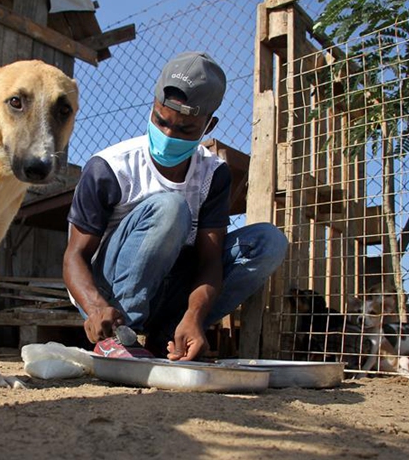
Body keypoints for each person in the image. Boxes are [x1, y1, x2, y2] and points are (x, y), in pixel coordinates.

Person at [63, 52, 288, 361]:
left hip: (170, 290)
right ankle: (121, 336)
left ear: (209, 125)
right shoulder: (110, 167)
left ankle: (170, 337)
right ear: (153, 107)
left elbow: (210, 261)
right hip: (106, 296)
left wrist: (195, 316)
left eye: (186, 130)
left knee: (267, 242)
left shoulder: (212, 175)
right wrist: (95, 307)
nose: (168, 135)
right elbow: (75, 256)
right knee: (171, 208)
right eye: (161, 121)